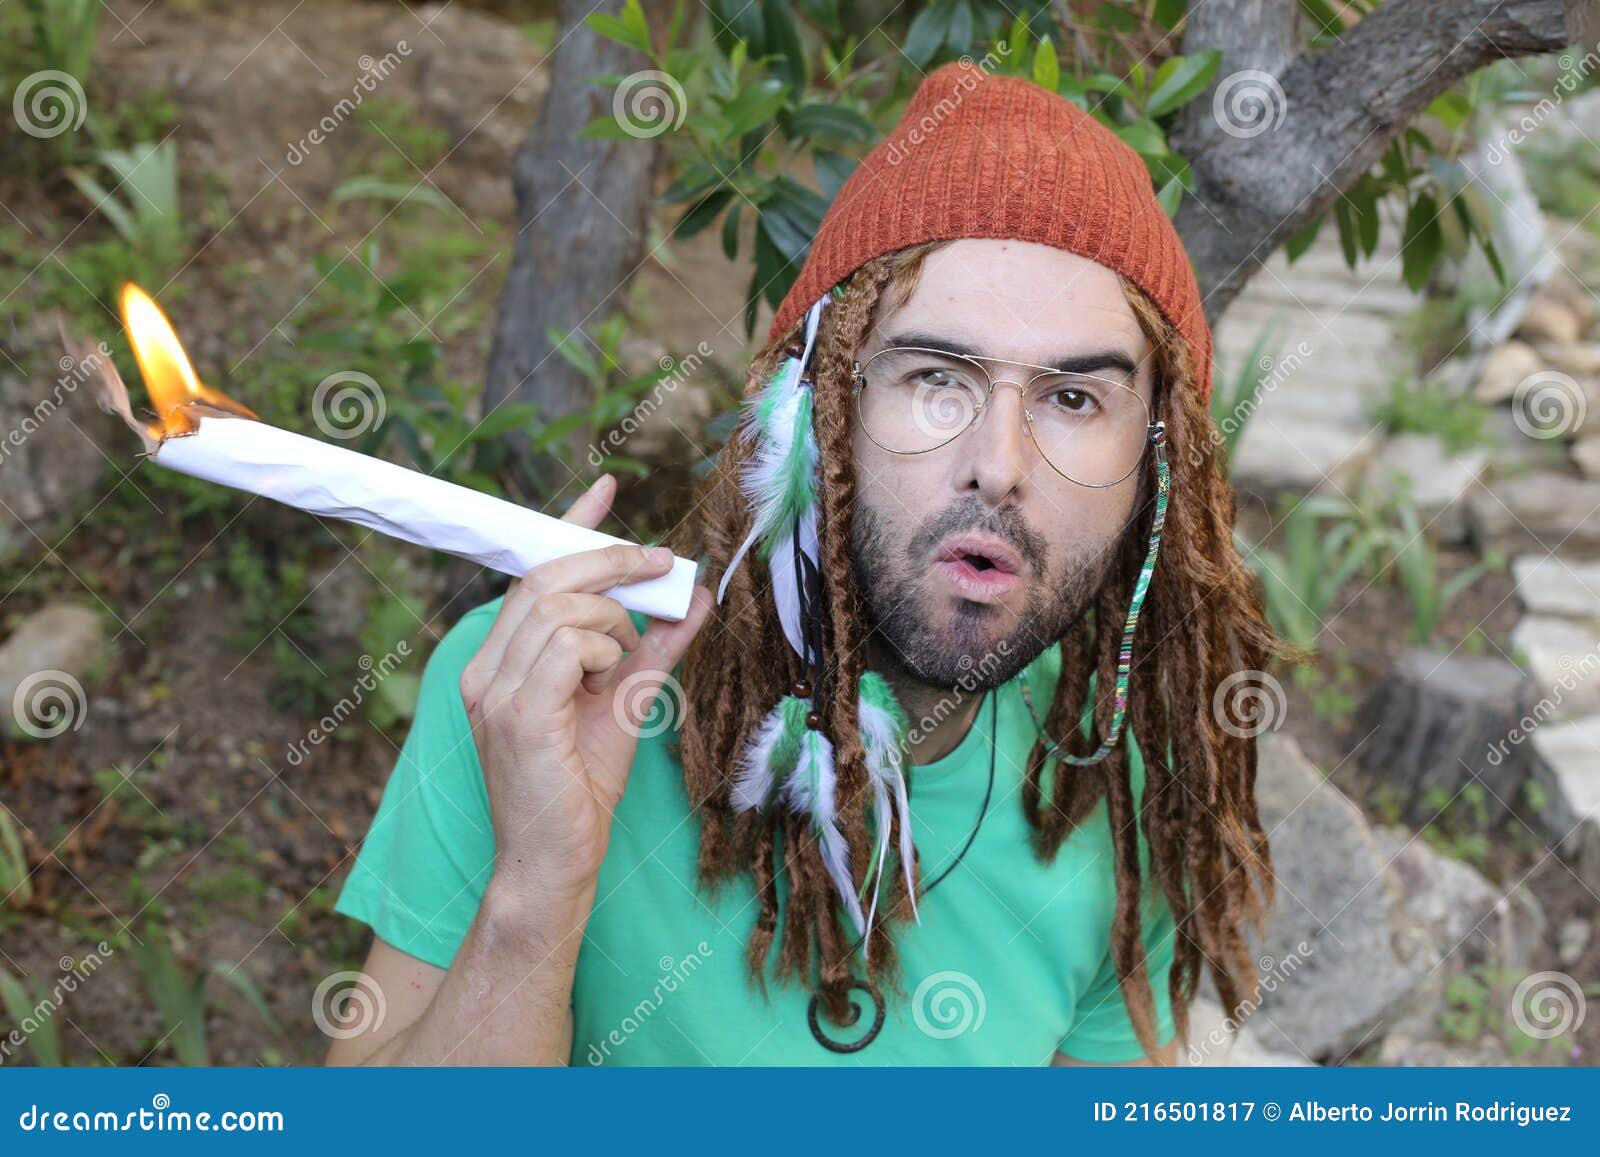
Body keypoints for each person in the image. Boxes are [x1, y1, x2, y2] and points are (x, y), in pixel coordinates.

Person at [328, 59, 1282, 1066]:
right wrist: (536, 890)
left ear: (1156, 468)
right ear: (814, 414)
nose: (999, 465)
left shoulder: (1118, 781)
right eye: (935, 378)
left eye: (1074, 398)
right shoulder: (536, 695)